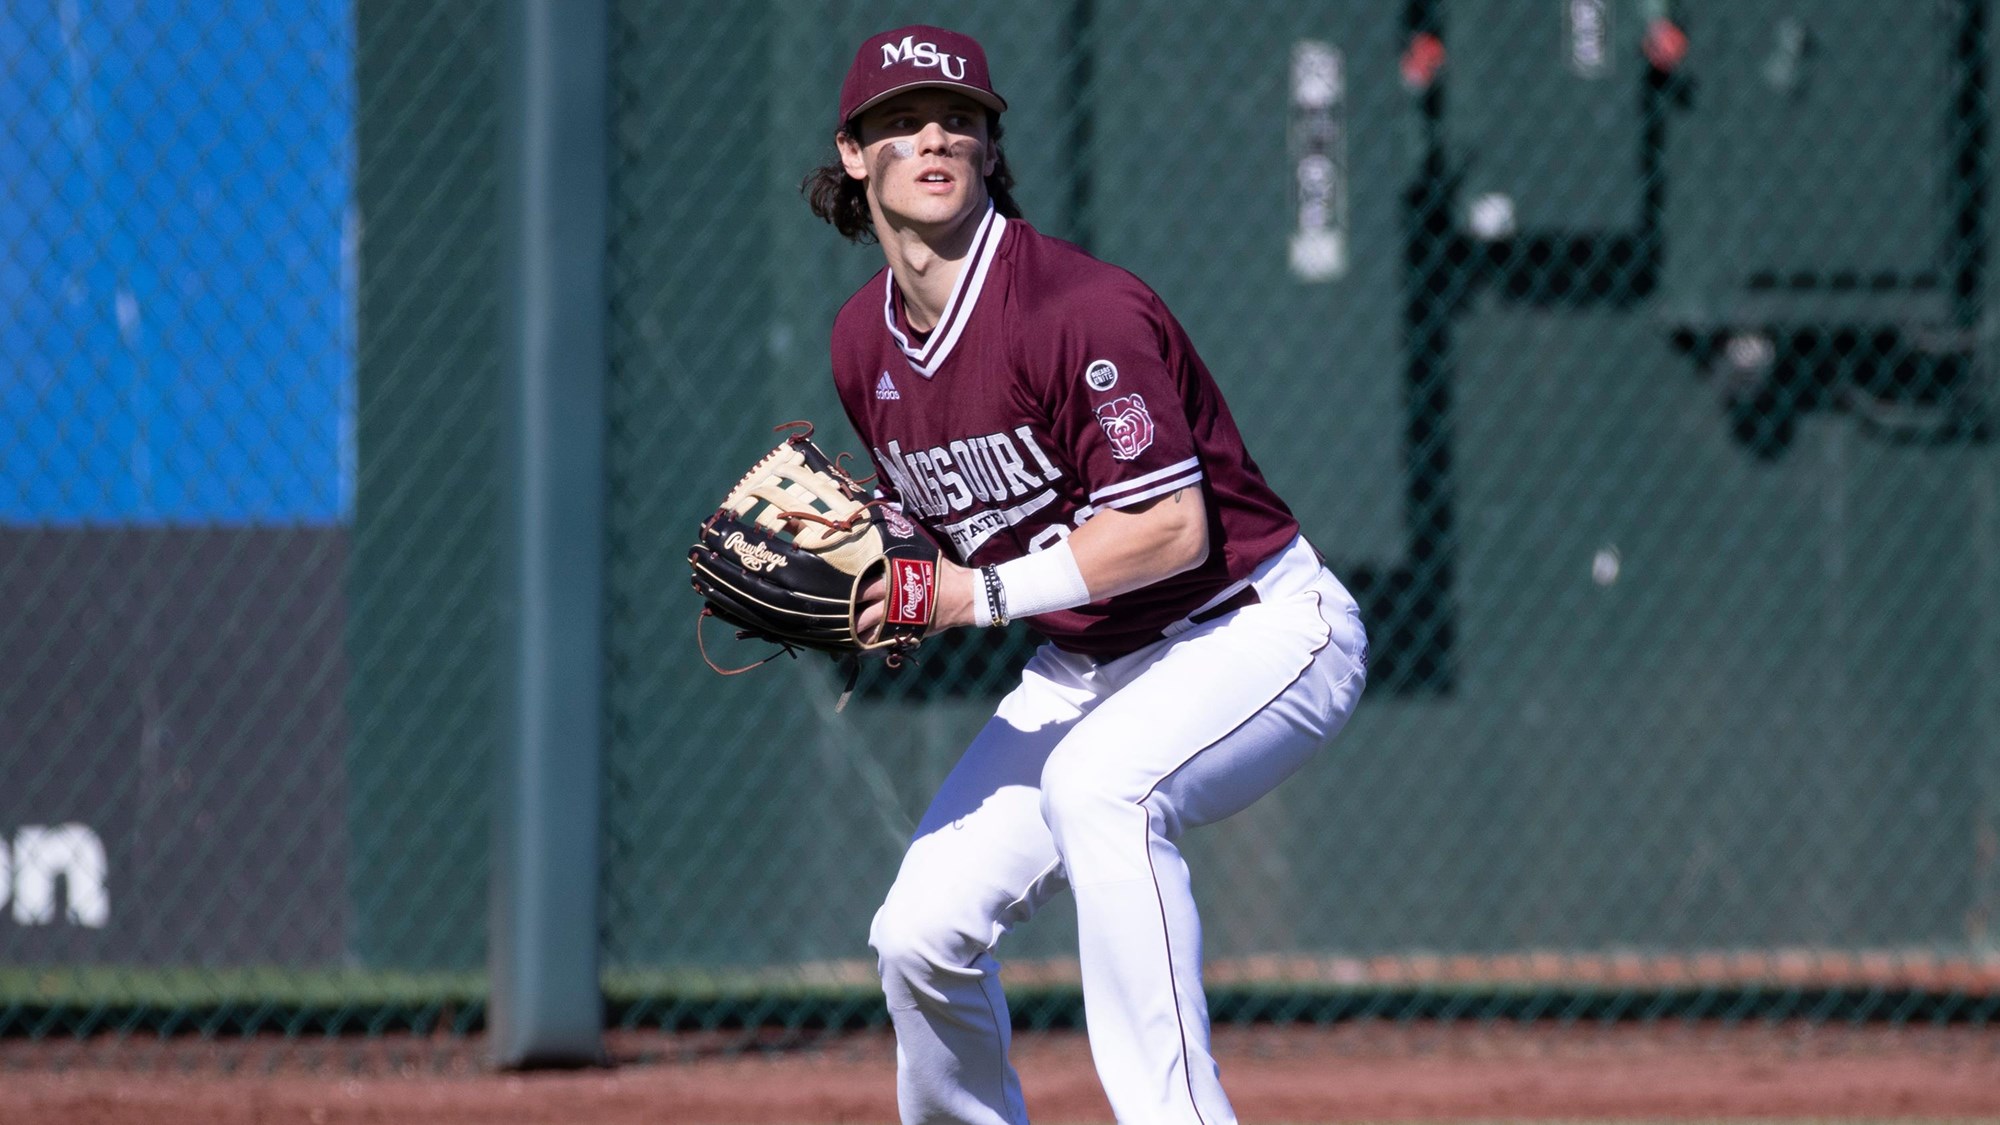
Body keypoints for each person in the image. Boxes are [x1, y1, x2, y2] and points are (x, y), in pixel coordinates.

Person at [804, 24, 1369, 1124]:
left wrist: (975, 596)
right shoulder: (858, 346)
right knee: (917, 936)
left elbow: (1166, 530)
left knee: (1100, 787)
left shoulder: (1075, 307)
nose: (935, 135)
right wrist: (874, 572)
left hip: (1255, 625)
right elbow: (935, 526)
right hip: (1089, 667)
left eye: (961, 118)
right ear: (854, 152)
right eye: (903, 119)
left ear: (989, 149)